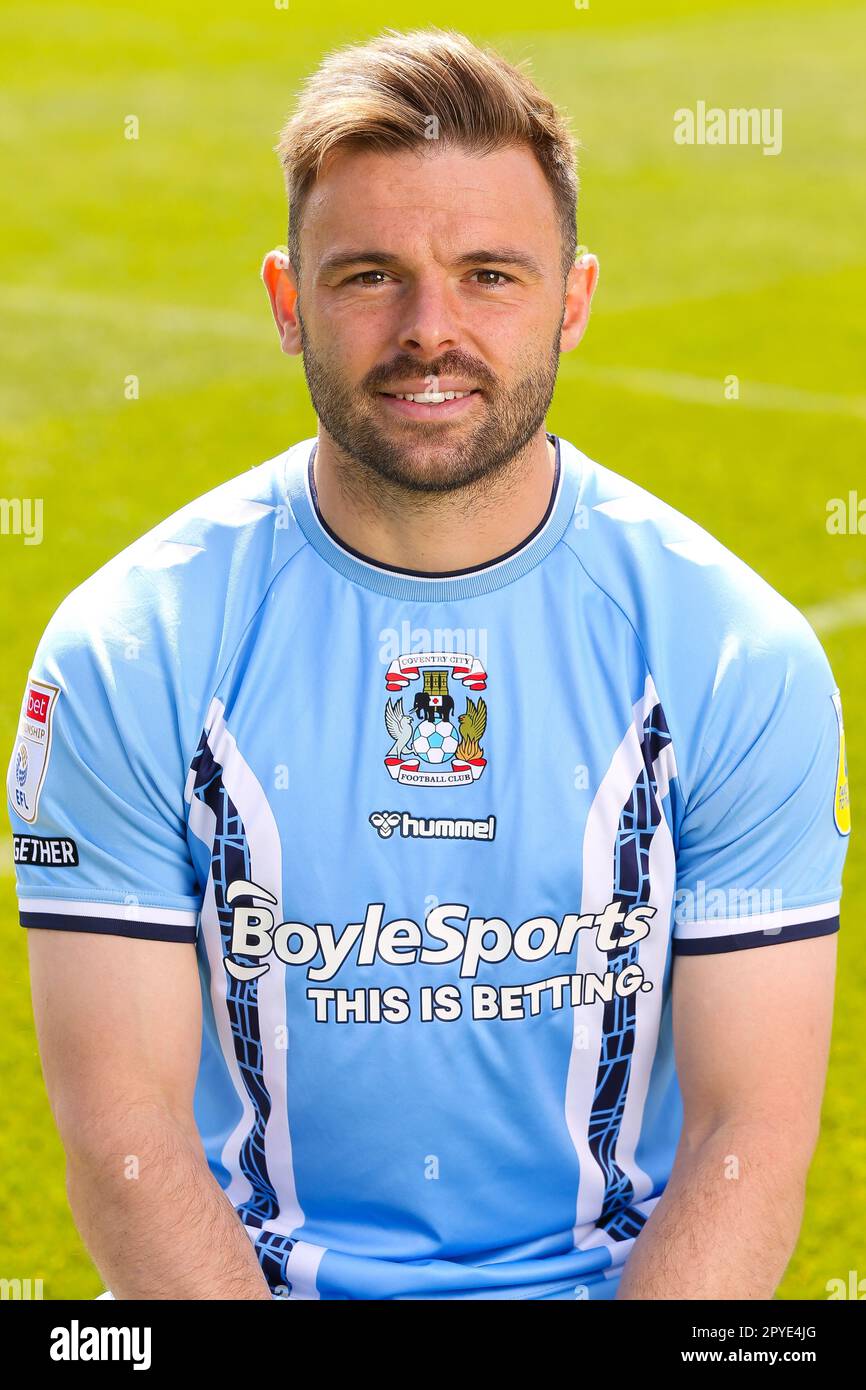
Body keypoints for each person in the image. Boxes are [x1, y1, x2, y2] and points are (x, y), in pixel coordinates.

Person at [7, 28, 850, 1301]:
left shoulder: (737, 655)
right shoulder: (129, 648)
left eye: (489, 274)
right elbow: (123, 1135)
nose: (429, 331)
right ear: (288, 302)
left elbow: (751, 1138)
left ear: (571, 297)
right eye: (368, 278)